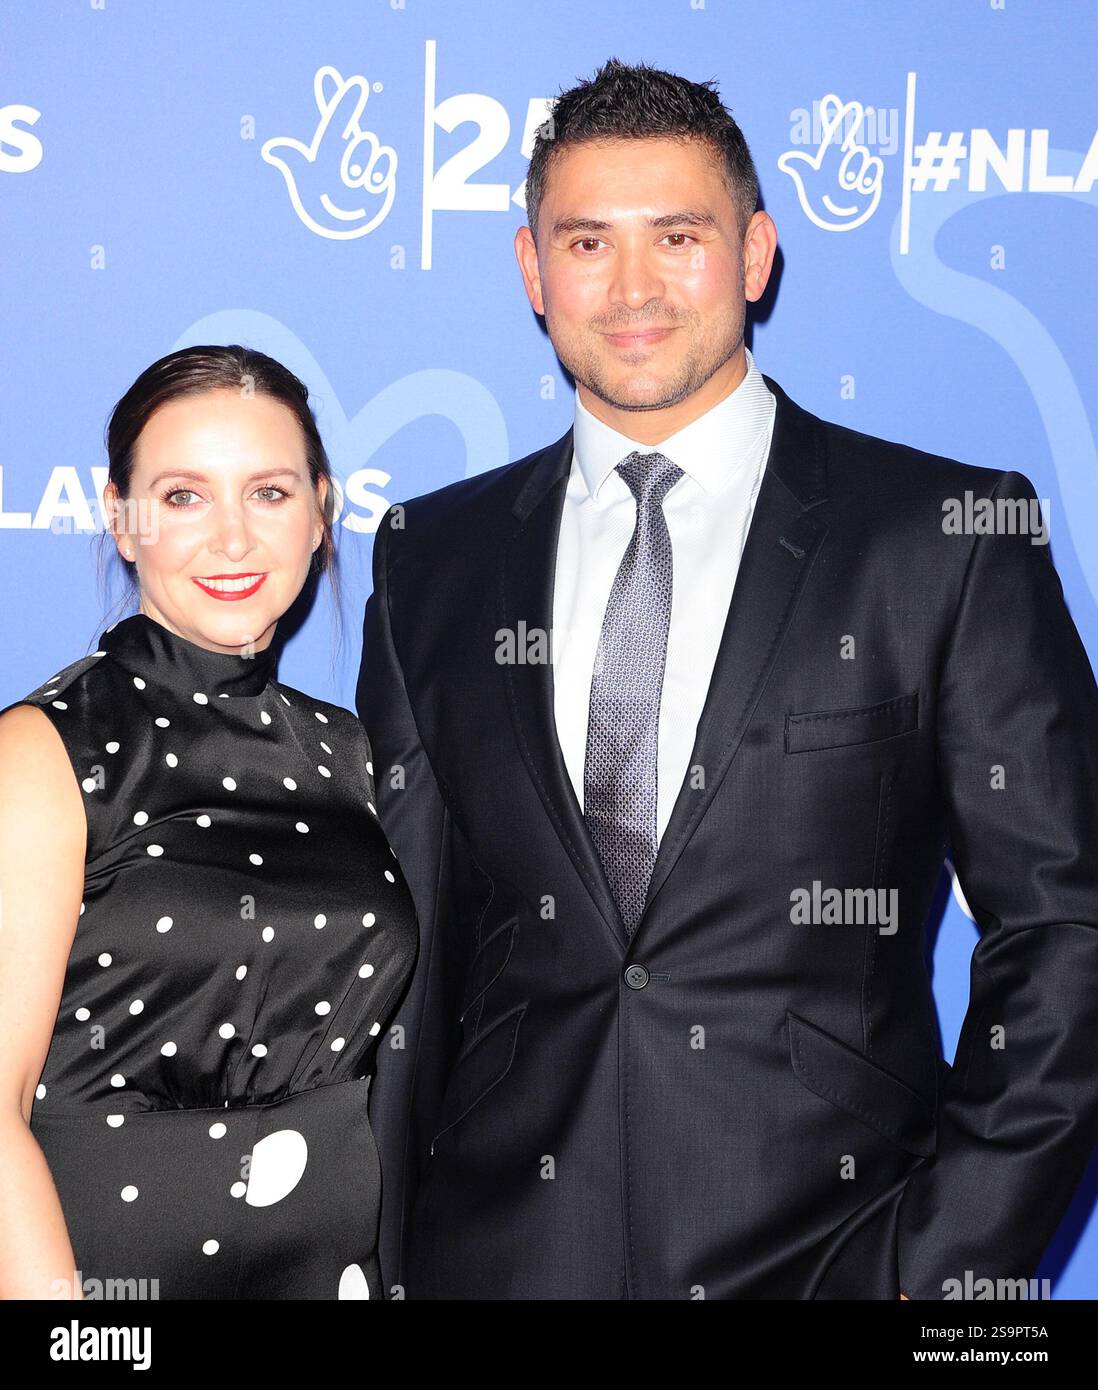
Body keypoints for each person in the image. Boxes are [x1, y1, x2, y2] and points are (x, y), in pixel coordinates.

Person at [357, 59, 1098, 1300]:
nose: (633, 286)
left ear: (755, 255)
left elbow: (1066, 930)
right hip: (494, 1262)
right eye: (586, 240)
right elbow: (412, 958)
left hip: (830, 1260)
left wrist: (940, 1274)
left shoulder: (943, 535)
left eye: (679, 236)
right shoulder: (433, 556)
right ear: (532, 273)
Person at [0, 345, 417, 1299]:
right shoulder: (47, 751)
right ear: (121, 517)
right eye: (185, 496)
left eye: (269, 493)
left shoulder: (347, 754)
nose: (233, 540)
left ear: (322, 511)